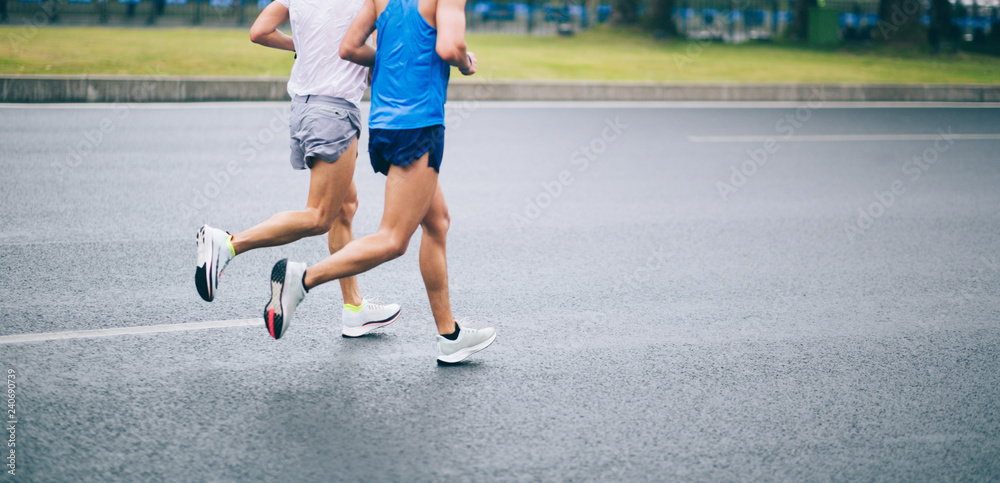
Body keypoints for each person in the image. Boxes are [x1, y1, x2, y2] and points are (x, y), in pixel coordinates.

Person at [262, 0, 496, 364]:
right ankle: (302, 279)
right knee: (392, 239)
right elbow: (449, 47)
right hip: (418, 125)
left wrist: (390, 61)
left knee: (437, 222)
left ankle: (450, 335)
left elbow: (350, 48)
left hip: (383, 122)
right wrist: (466, 62)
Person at [195, 0, 400, 339]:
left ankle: (354, 308)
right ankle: (229, 244)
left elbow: (259, 31)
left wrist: (299, 43)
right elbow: (378, 52)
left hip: (303, 108)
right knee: (319, 216)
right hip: (334, 111)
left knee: (345, 208)